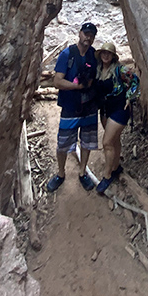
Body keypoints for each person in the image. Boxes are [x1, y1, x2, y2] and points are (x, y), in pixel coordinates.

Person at [46, 22, 99, 192]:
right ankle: (61, 173)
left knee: (87, 141)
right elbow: (57, 81)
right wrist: (77, 86)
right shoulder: (67, 54)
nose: (88, 37)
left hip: (89, 105)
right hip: (70, 105)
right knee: (63, 143)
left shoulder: (94, 55)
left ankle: (82, 171)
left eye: (91, 35)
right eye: (86, 33)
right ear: (80, 33)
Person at [94, 40, 140, 195]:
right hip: (105, 109)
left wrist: (129, 97)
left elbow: (135, 81)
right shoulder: (98, 70)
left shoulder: (120, 70)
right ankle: (116, 166)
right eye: (104, 53)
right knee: (114, 140)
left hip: (119, 108)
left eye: (109, 54)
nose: (106, 56)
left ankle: (107, 175)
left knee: (107, 142)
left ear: (113, 56)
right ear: (100, 55)